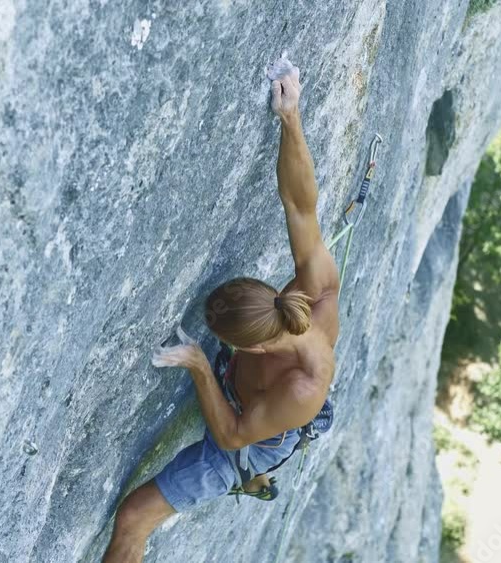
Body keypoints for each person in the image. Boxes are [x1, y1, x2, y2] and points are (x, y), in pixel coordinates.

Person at [101, 59, 340, 563]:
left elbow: (232, 432)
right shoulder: (312, 289)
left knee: (132, 519)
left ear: (250, 346)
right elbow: (300, 206)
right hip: (247, 390)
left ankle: (248, 479)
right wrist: (291, 117)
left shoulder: (303, 388)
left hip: (251, 440)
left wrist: (199, 366)